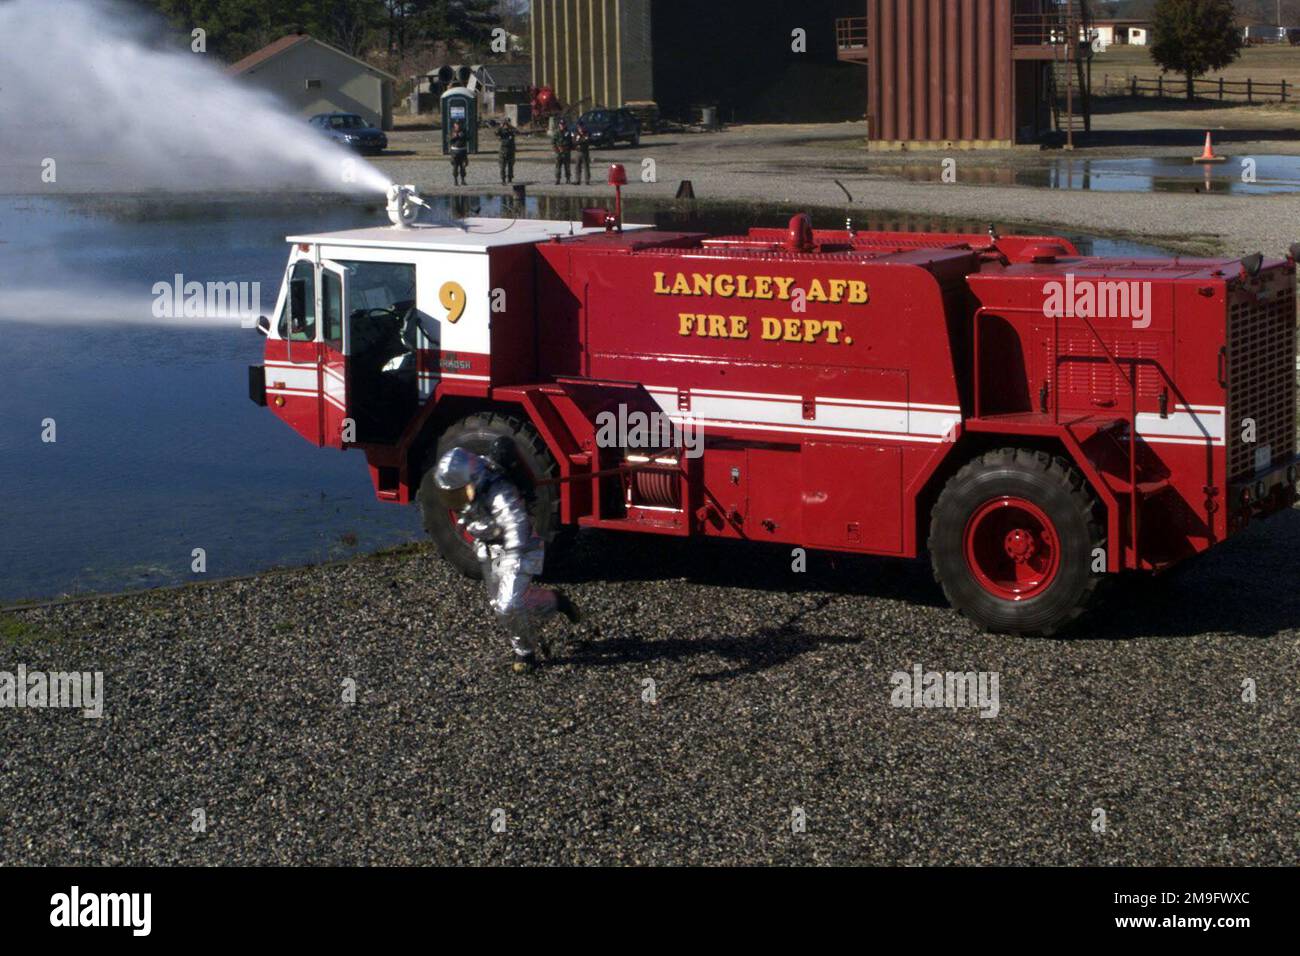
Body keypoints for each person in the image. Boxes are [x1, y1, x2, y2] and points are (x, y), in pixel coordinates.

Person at [435, 446, 581, 673]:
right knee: (499, 605)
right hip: (491, 550)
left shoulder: (498, 490)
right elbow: (469, 517)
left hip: (519, 549)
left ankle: (525, 652)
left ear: (472, 480)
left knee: (508, 605)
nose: (455, 499)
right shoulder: (468, 492)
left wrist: (513, 555)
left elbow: (516, 523)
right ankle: (553, 602)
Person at [496, 117, 517, 185]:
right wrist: (501, 126)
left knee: (510, 166)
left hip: (511, 150)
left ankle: (510, 178)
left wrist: (510, 126)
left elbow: (517, 131)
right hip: (503, 151)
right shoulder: (501, 131)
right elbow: (496, 133)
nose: (506, 125)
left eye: (507, 123)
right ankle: (503, 179)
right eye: (505, 123)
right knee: (502, 166)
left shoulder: (512, 130)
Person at [552, 119, 573, 185]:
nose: (562, 126)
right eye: (561, 124)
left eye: (563, 124)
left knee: (567, 166)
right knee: (558, 166)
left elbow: (571, 142)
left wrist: (569, 148)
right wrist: (557, 149)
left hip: (566, 152)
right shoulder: (556, 132)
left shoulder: (568, 132)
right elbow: (553, 142)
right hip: (559, 152)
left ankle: (568, 179)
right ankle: (558, 179)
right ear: (559, 125)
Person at [448, 120, 469, 186]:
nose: (458, 126)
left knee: (463, 166)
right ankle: (455, 181)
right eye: (456, 125)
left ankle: (463, 180)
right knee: (455, 167)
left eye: (459, 124)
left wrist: (463, 135)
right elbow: (448, 140)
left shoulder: (464, 131)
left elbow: (469, 138)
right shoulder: (451, 132)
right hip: (455, 152)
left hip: (463, 151)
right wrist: (455, 136)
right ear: (454, 125)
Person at [574, 121, 592, 185]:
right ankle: (577, 180)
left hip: (585, 152)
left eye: (581, 127)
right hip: (578, 152)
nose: (580, 128)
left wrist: (580, 142)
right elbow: (574, 142)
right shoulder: (576, 134)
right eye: (579, 127)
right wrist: (581, 141)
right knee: (577, 166)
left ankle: (587, 180)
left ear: (583, 127)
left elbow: (587, 141)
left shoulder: (587, 133)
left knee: (586, 166)